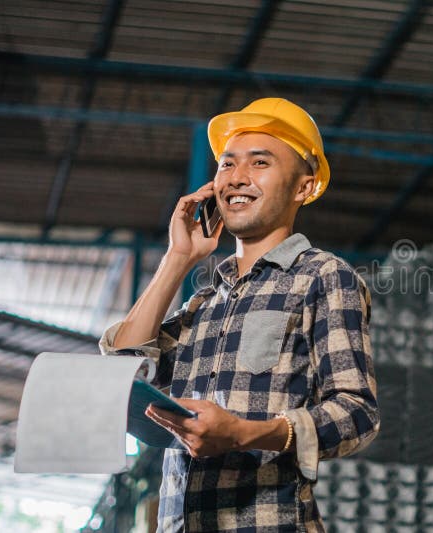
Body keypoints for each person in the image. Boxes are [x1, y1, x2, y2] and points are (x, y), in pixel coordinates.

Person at [98, 97, 380, 532]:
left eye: (259, 162)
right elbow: (120, 372)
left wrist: (244, 433)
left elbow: (356, 413)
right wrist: (178, 257)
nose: (237, 178)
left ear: (304, 187)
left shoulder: (322, 276)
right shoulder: (203, 305)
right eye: (227, 165)